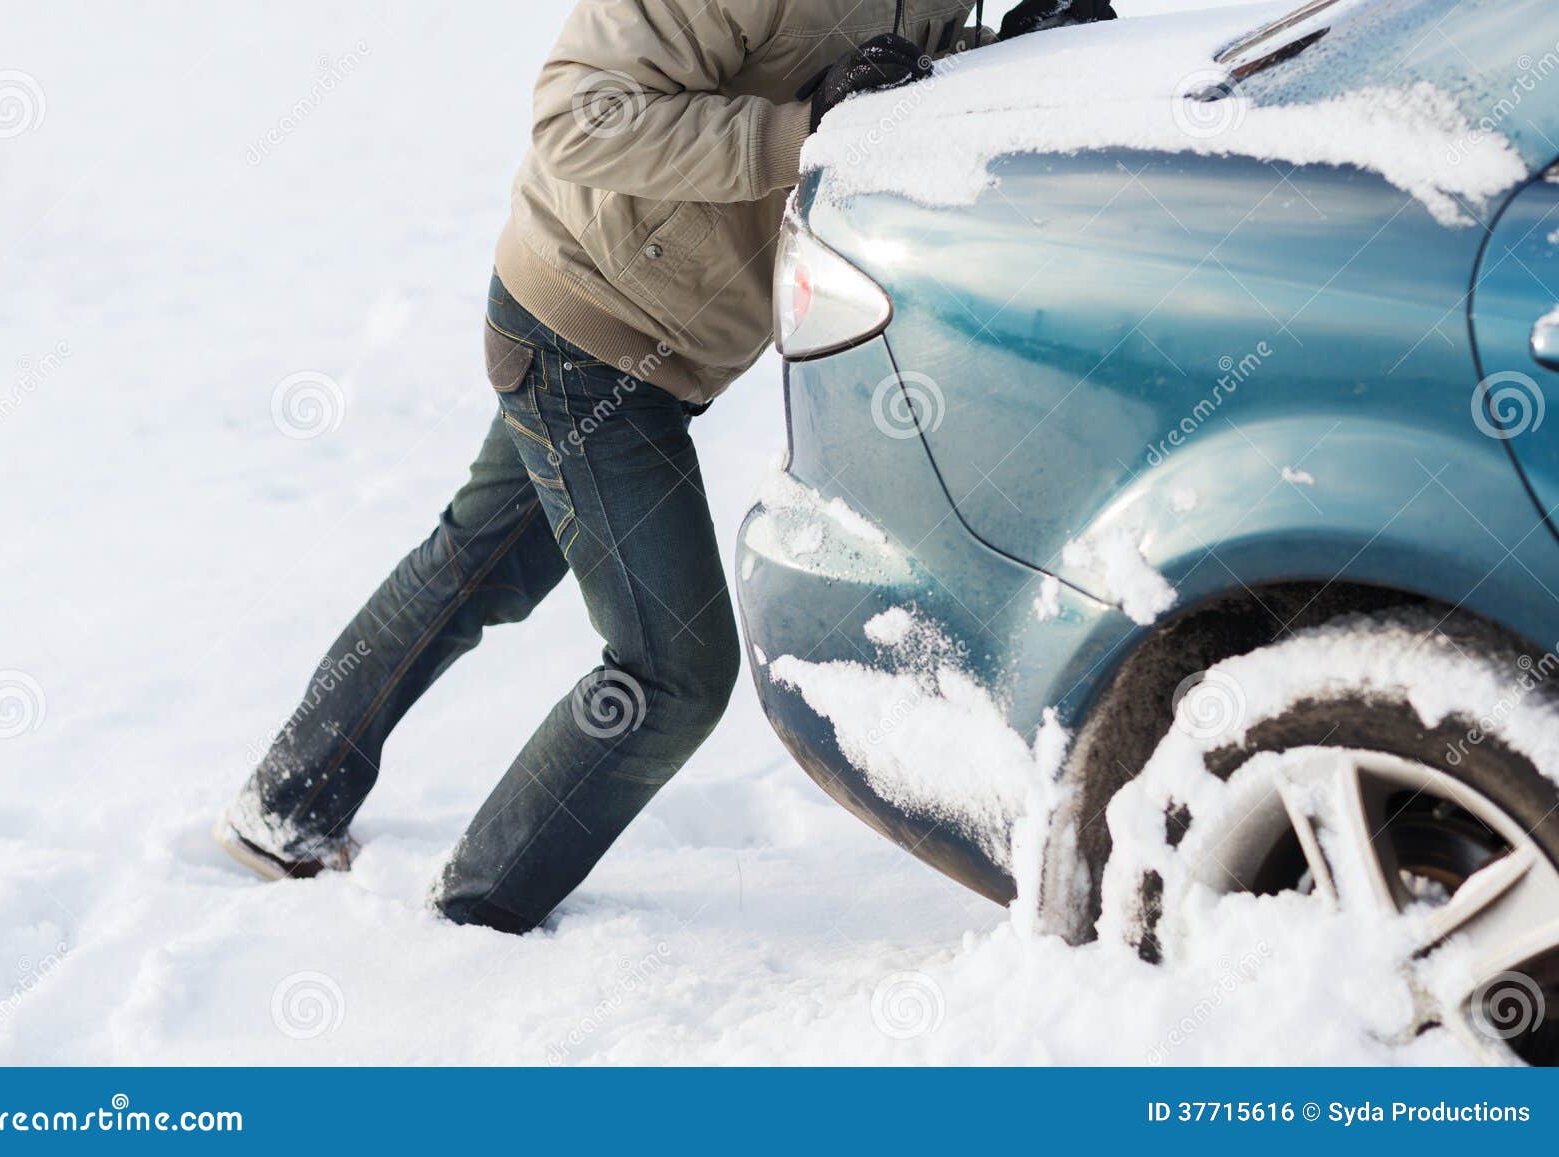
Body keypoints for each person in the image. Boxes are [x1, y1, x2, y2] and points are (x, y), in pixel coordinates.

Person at [214, 0, 1114, 934]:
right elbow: (577, 116)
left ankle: (287, 800)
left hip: (655, 341)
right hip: (583, 327)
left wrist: (1007, 59)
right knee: (673, 669)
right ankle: (478, 917)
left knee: (483, 563)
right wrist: (797, 133)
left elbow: (881, 76)